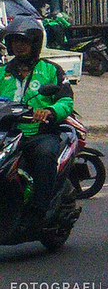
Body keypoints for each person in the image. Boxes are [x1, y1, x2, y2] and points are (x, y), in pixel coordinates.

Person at [0, 16, 74, 232]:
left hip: (39, 133)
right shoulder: (2, 72)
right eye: (15, 41)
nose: (19, 46)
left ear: (35, 43)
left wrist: (49, 111)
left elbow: (66, 100)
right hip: (8, 133)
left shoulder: (51, 70)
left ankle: (40, 210)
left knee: (44, 155)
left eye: (24, 41)